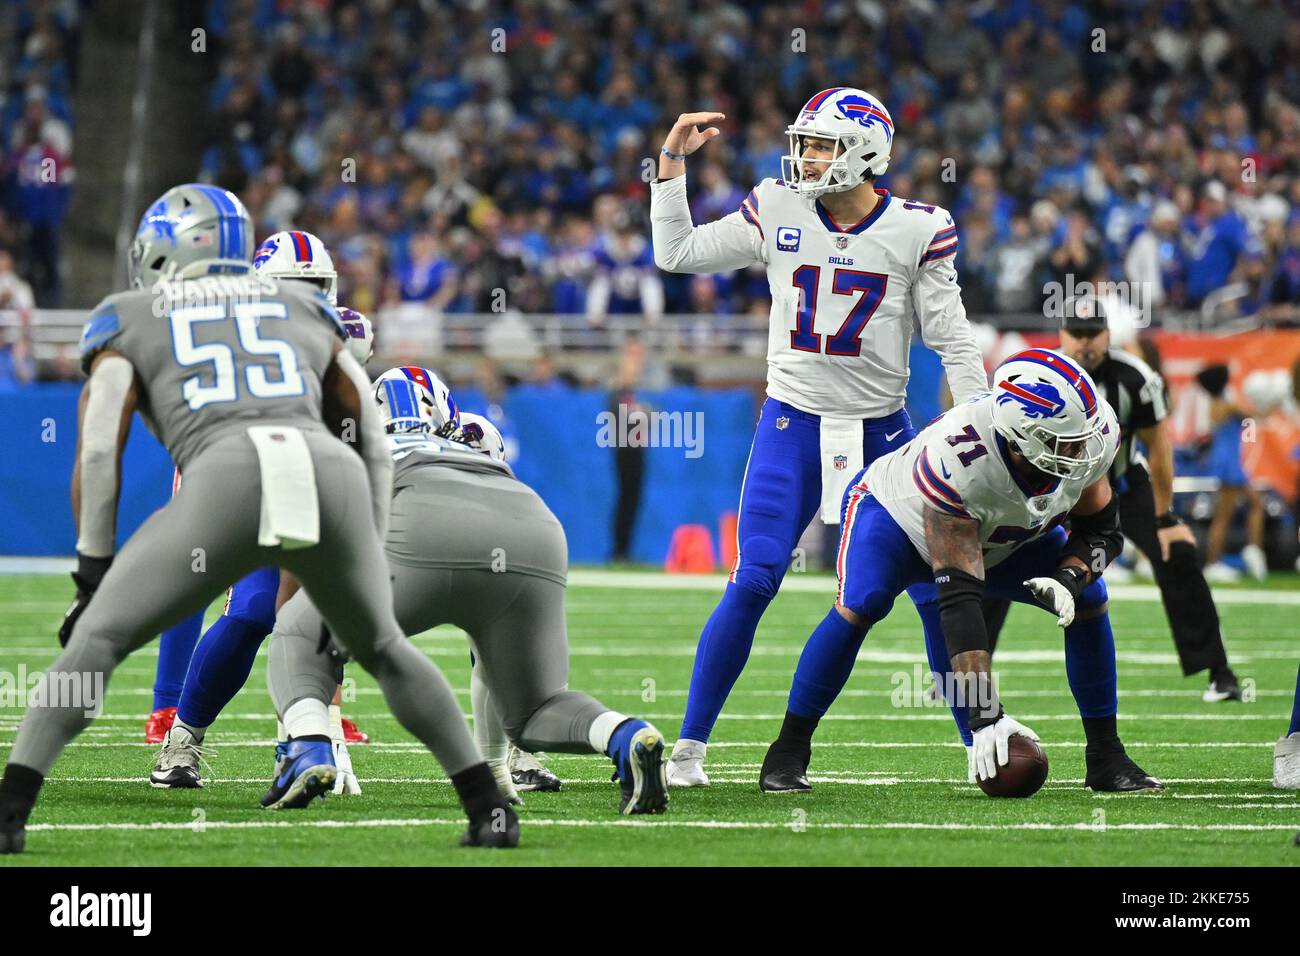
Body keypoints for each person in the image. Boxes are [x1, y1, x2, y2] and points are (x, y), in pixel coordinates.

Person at [0, 184, 517, 853]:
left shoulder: (127, 315)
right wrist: (368, 530)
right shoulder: (306, 309)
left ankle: (12, 808)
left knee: (94, 642)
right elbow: (370, 436)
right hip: (325, 476)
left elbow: (100, 448)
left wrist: (92, 573)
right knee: (384, 647)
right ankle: (486, 804)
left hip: (228, 473)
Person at [649, 88, 988, 786]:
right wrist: (671, 165)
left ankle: (979, 742)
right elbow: (676, 251)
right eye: (804, 143)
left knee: (938, 592)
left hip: (885, 437)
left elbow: (954, 344)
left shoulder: (918, 228)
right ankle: (689, 749)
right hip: (791, 424)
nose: (805, 157)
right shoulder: (778, 205)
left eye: (822, 145)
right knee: (754, 577)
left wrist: (976, 425)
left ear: (866, 152)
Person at [265, 370, 669, 815]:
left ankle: (306, 749)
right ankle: (624, 734)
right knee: (536, 709)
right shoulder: (475, 434)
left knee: (298, 632)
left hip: (423, 522)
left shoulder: (350, 443)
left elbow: (302, 562)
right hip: (534, 528)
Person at [759, 349, 1162, 793]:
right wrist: (984, 713)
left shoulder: (1089, 436)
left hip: (999, 532)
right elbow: (959, 601)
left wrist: (1070, 578)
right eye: (1065, 443)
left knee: (1089, 598)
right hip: (898, 519)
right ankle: (788, 750)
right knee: (863, 602)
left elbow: (1105, 532)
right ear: (1022, 436)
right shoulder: (962, 462)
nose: (1082, 451)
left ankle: (1106, 756)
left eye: (1082, 438)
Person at [149, 230, 376, 794]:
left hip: (303, 483)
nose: (309, 299)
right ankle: (182, 735)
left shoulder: (334, 343)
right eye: (297, 287)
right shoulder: (231, 337)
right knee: (250, 611)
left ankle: (305, 737)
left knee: (316, 610)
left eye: (316, 286)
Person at [981, 297, 1241, 701]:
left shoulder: (1134, 377)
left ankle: (1218, 672)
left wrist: (1165, 517)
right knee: (1001, 557)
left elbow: (1159, 446)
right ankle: (966, 674)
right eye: (1077, 333)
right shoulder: (1037, 373)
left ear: (1108, 334)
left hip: (1120, 483)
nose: (1085, 342)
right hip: (1055, 488)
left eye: (1093, 333)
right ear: (1062, 334)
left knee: (1178, 555)